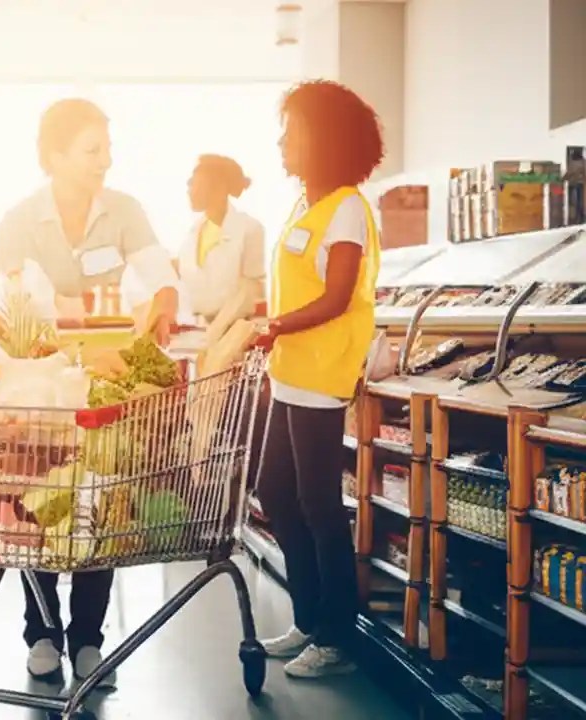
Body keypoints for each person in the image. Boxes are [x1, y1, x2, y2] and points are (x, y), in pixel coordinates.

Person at [0, 98, 180, 687]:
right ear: (53, 155)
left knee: (100, 504)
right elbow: (23, 301)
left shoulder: (124, 211)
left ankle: (89, 638)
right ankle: (42, 631)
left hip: (107, 382)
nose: (106, 159)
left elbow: (159, 276)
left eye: (107, 147)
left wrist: (163, 307)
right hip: (42, 380)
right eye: (91, 149)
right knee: (41, 506)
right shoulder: (20, 220)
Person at [254, 79, 384, 679]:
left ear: (324, 138)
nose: (282, 141)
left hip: (321, 374)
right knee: (277, 493)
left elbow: (337, 296)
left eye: (293, 129)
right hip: (290, 374)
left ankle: (338, 639)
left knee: (318, 505)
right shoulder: (304, 204)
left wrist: (274, 325)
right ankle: (309, 617)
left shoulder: (348, 207)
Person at [179, 154, 266, 327]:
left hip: (234, 331)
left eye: (195, 184)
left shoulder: (249, 229)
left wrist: (217, 330)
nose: (189, 190)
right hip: (194, 332)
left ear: (219, 188)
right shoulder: (192, 233)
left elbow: (251, 291)